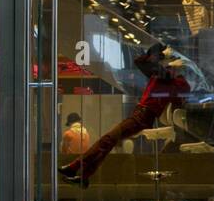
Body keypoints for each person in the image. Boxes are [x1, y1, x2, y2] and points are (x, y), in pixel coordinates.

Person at [58, 45, 191, 185]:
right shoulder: (164, 76)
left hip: (143, 116)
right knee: (107, 142)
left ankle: (75, 168)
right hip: (140, 114)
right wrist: (159, 50)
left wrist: (160, 54)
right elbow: (141, 61)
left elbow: (178, 100)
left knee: (106, 141)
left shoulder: (170, 78)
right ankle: (83, 175)